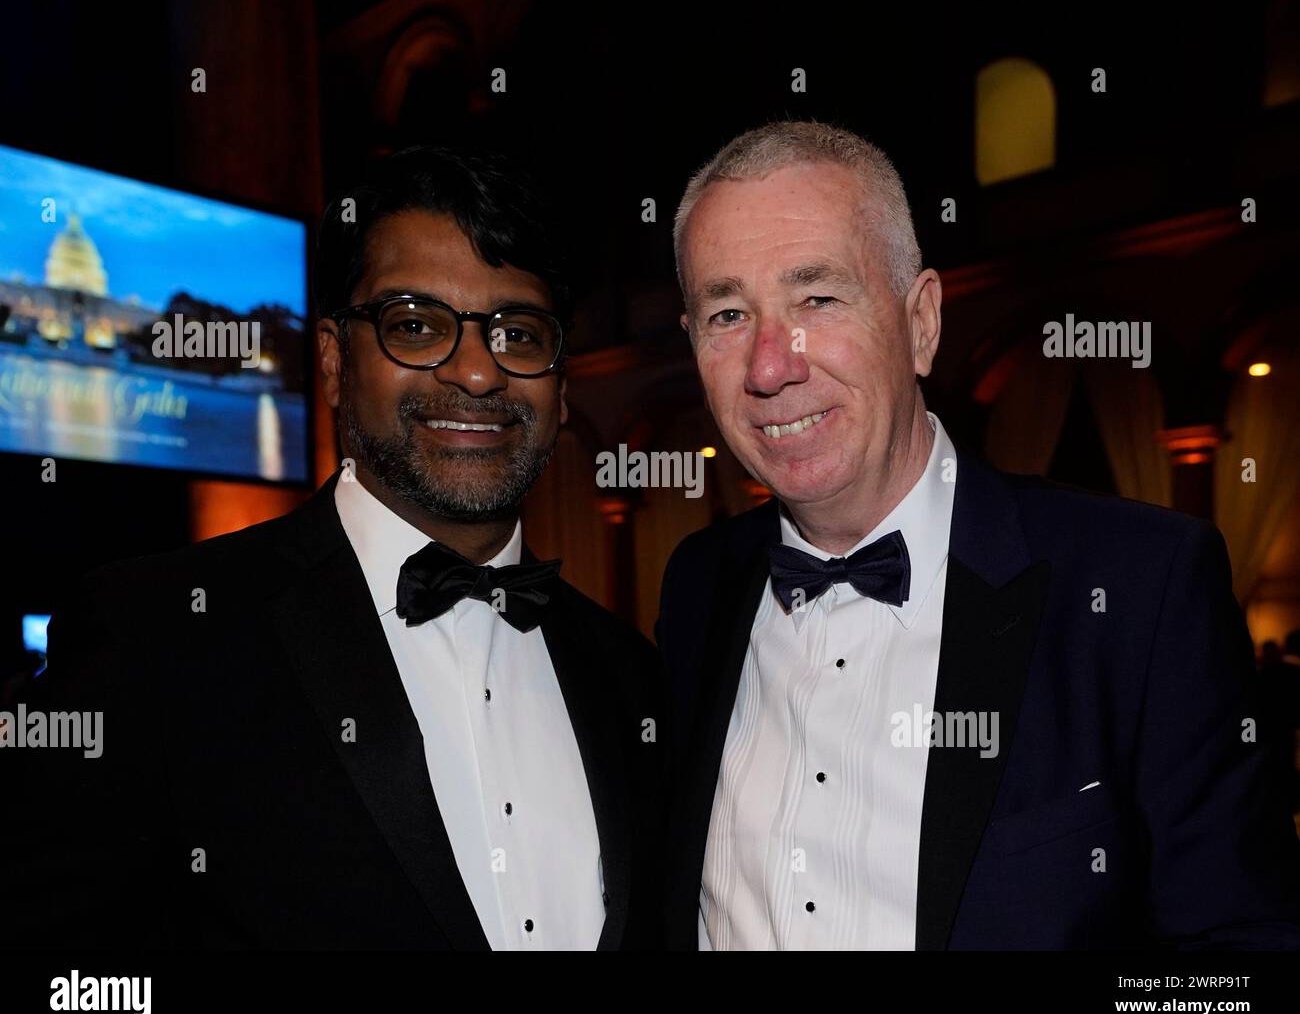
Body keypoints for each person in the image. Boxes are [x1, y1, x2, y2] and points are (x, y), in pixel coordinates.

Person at [657, 119, 1300, 950]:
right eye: (729, 313)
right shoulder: (699, 584)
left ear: (921, 321)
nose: (771, 364)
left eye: (817, 296)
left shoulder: (1143, 587)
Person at [3, 146, 663, 951]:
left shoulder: (633, 677)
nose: (477, 371)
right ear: (332, 361)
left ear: (561, 386)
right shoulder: (152, 636)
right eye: (415, 325)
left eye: (517, 332)